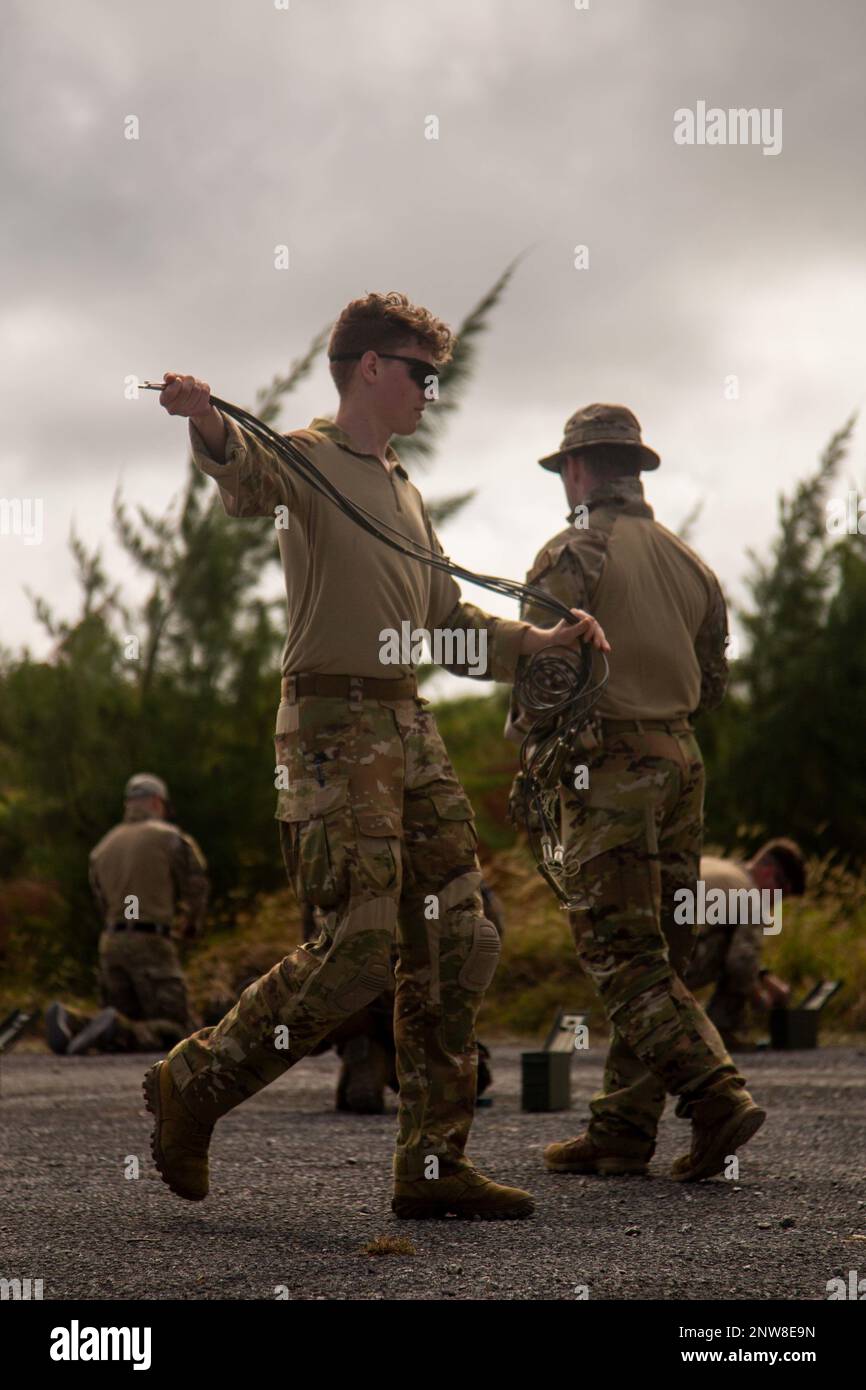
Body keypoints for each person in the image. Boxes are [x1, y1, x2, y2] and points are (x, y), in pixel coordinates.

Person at [142, 292, 609, 1220]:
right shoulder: (307, 460)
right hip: (331, 729)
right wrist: (203, 421)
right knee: (354, 953)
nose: (431, 391)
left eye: (435, 376)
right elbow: (243, 479)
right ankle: (194, 1083)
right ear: (367, 369)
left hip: (408, 725)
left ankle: (431, 1169)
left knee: (460, 935)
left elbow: (444, 627)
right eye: (418, 373)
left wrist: (541, 642)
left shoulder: (403, 488)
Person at [507, 403, 766, 1182]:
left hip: (611, 766)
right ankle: (621, 1130)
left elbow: (544, 675)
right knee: (663, 951)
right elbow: (714, 683)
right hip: (681, 760)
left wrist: (532, 751)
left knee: (623, 954)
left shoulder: (572, 551)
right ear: (636, 471)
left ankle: (714, 1093)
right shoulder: (693, 564)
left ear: (579, 471)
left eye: (565, 473)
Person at [303, 883, 504, 1113]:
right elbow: (482, 951)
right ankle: (388, 1058)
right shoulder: (447, 872)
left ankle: (369, 1051)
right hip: (417, 1006)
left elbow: (312, 947)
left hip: (352, 1003)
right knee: (464, 1082)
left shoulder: (334, 870)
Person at [46, 773, 208, 1055]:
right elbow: (196, 885)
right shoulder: (170, 837)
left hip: (111, 944)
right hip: (151, 944)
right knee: (177, 1032)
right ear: (158, 802)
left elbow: (100, 902)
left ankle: (72, 1020)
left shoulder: (102, 847)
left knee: (126, 1021)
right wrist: (192, 924)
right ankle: (115, 1029)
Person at [686, 839, 804, 1048]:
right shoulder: (751, 895)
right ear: (768, 873)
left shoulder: (717, 866)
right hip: (677, 963)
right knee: (742, 962)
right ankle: (723, 1030)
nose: (776, 904)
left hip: (641, 953)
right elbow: (740, 962)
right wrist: (759, 998)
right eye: (780, 895)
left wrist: (764, 977)